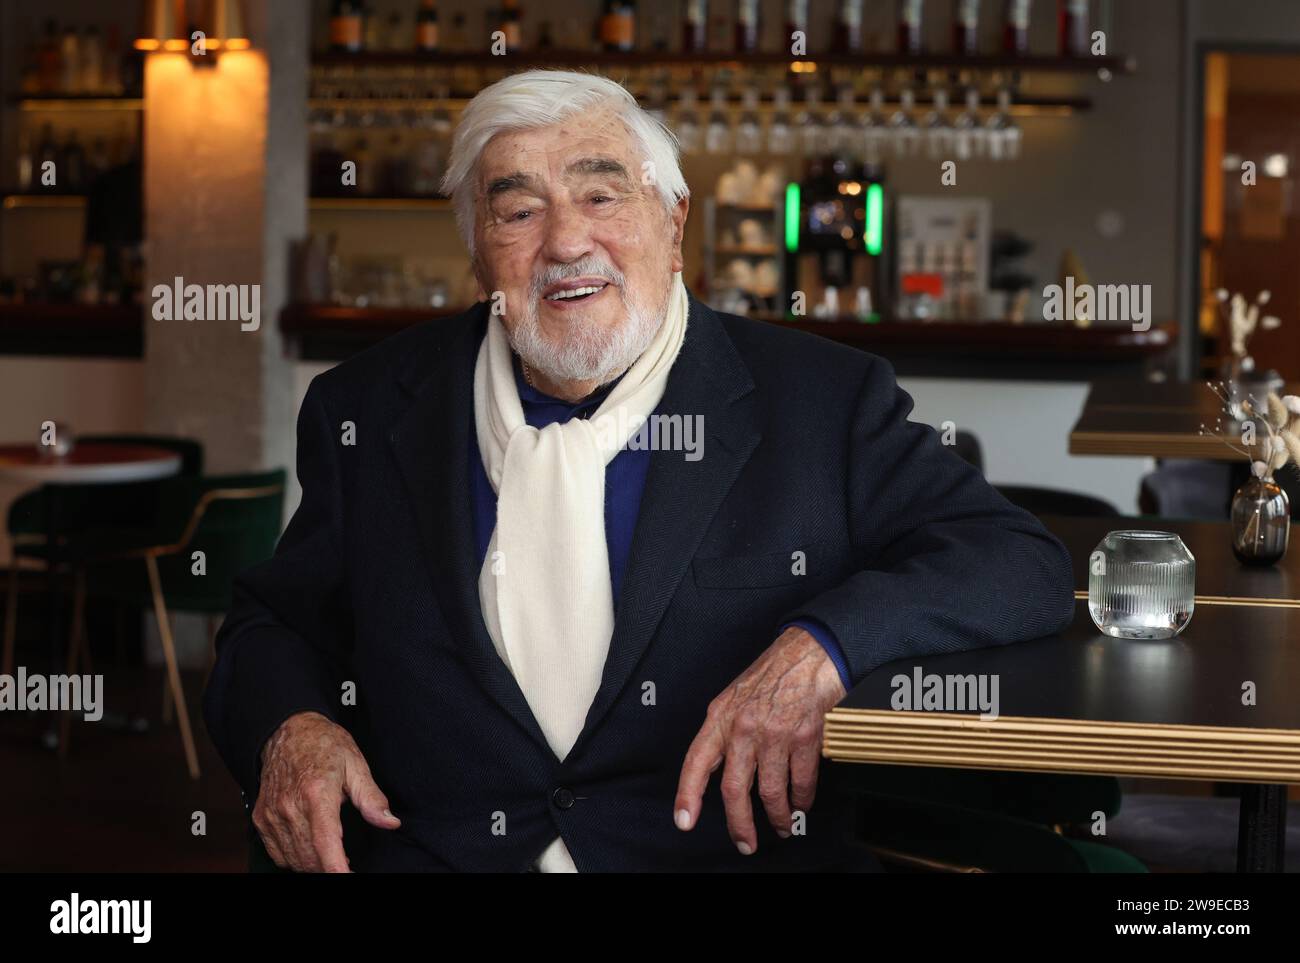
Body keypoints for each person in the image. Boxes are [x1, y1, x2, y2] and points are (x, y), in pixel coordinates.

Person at [203, 70, 1075, 872]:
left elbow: (1014, 559)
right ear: (477, 251)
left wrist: (823, 650)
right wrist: (293, 726)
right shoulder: (367, 406)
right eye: (518, 211)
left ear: (675, 220)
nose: (566, 241)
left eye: (601, 193)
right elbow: (275, 622)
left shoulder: (820, 400)